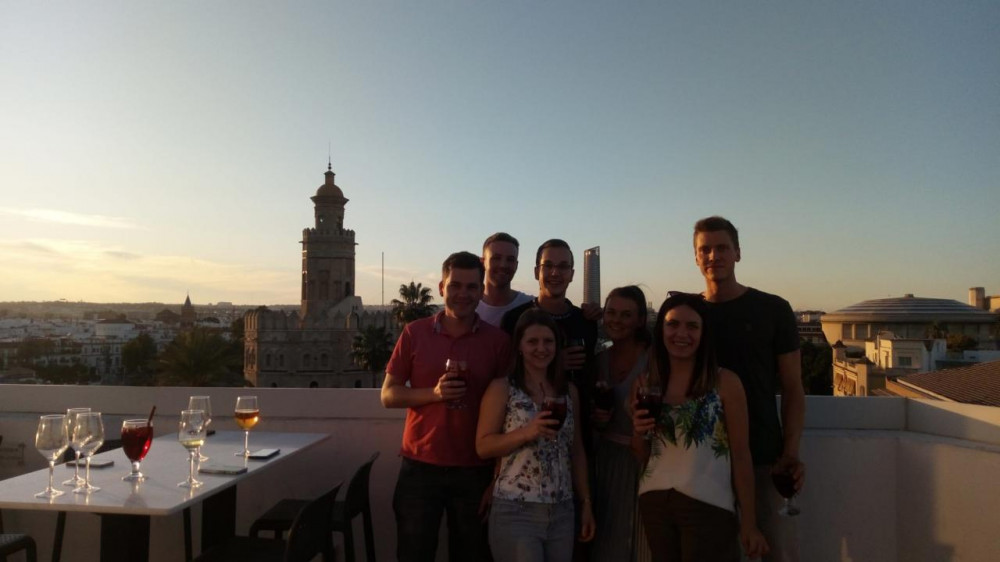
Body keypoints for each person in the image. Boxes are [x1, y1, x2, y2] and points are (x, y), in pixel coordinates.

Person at [381, 251, 511, 562]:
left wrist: (497, 478)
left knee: (472, 555)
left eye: (471, 287)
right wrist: (436, 394)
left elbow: (509, 413)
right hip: (420, 467)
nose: (463, 294)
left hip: (474, 470)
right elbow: (388, 395)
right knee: (414, 554)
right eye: (455, 286)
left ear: (481, 290)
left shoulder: (498, 342)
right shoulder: (415, 333)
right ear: (442, 287)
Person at [692, 216, 805, 562]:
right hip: (701, 461)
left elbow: (793, 389)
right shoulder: (687, 314)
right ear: (696, 258)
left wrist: (789, 452)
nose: (714, 256)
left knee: (774, 552)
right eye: (705, 249)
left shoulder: (773, 309)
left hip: (762, 458)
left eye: (722, 247)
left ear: (738, 253)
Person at [631, 293, 768, 561]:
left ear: (704, 333)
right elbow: (641, 454)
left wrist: (749, 523)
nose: (681, 333)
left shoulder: (725, 382)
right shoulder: (647, 383)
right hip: (655, 502)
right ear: (661, 331)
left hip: (709, 503)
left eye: (692, 326)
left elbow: (741, 455)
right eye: (673, 324)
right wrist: (638, 431)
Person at [477, 309, 596, 562]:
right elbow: (483, 446)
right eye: (532, 341)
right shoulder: (503, 388)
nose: (541, 348)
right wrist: (526, 432)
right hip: (516, 510)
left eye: (548, 341)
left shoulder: (568, 392)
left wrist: (585, 503)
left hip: (562, 511)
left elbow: (576, 452)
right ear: (519, 345)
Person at [588, 286, 650, 562]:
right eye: (611, 312)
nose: (616, 320)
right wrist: (596, 419)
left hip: (646, 462)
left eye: (626, 315)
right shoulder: (599, 360)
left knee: (644, 544)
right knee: (608, 544)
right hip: (606, 465)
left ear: (640, 320)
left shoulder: (655, 360)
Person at [477, 232, 534, 327]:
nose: (503, 265)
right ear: (483, 263)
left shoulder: (530, 307)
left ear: (516, 265)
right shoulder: (469, 307)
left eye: (510, 260)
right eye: (496, 258)